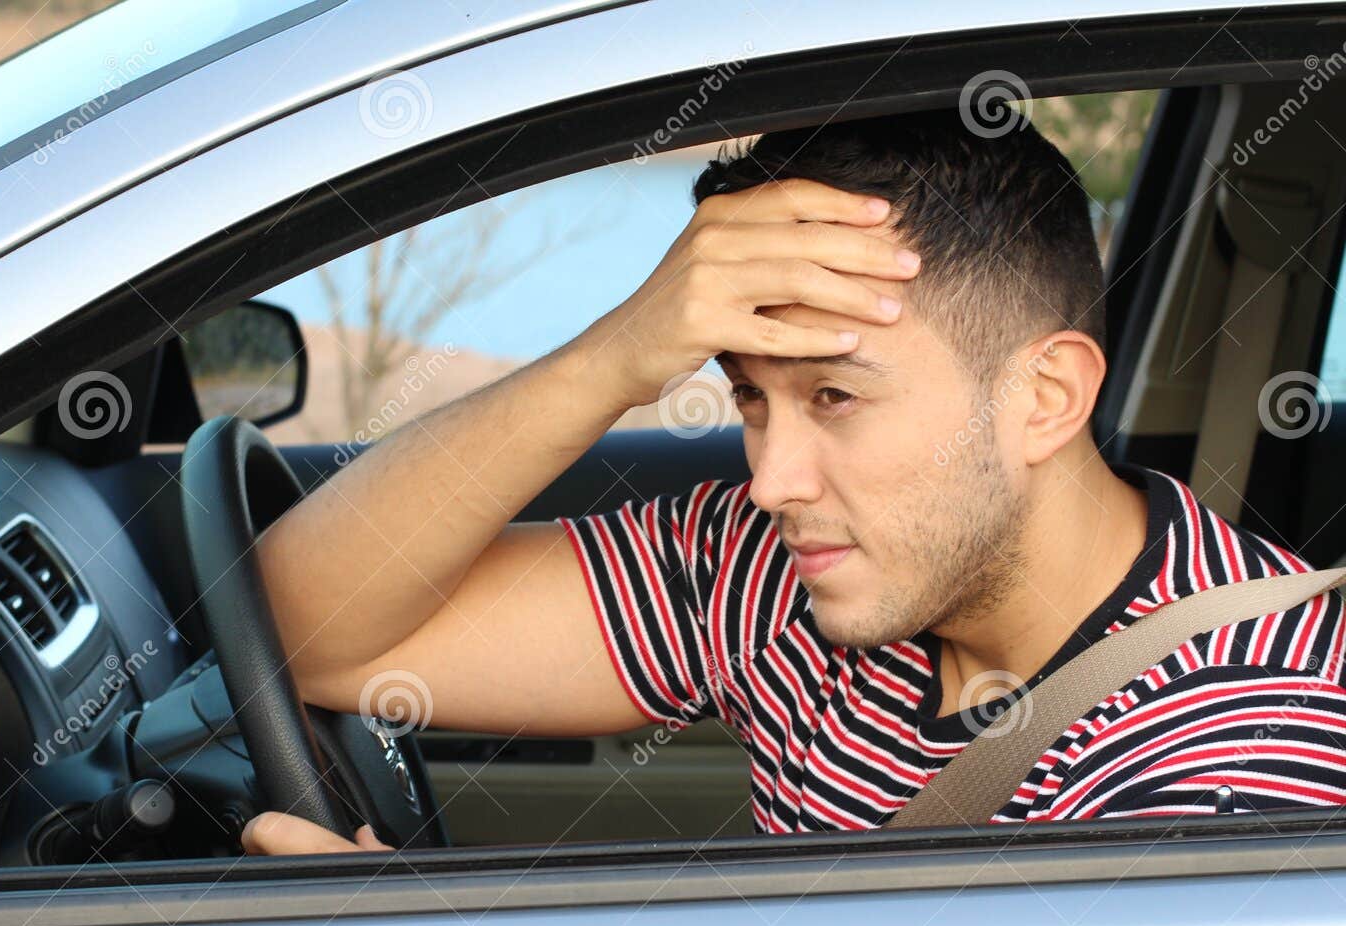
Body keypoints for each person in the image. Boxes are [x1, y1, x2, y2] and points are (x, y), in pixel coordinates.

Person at [242, 109, 1346, 855]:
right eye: (748, 397)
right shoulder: (783, 568)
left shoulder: (1237, 762)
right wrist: (611, 357)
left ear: (1046, 397)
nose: (769, 476)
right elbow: (316, 635)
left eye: (834, 398)